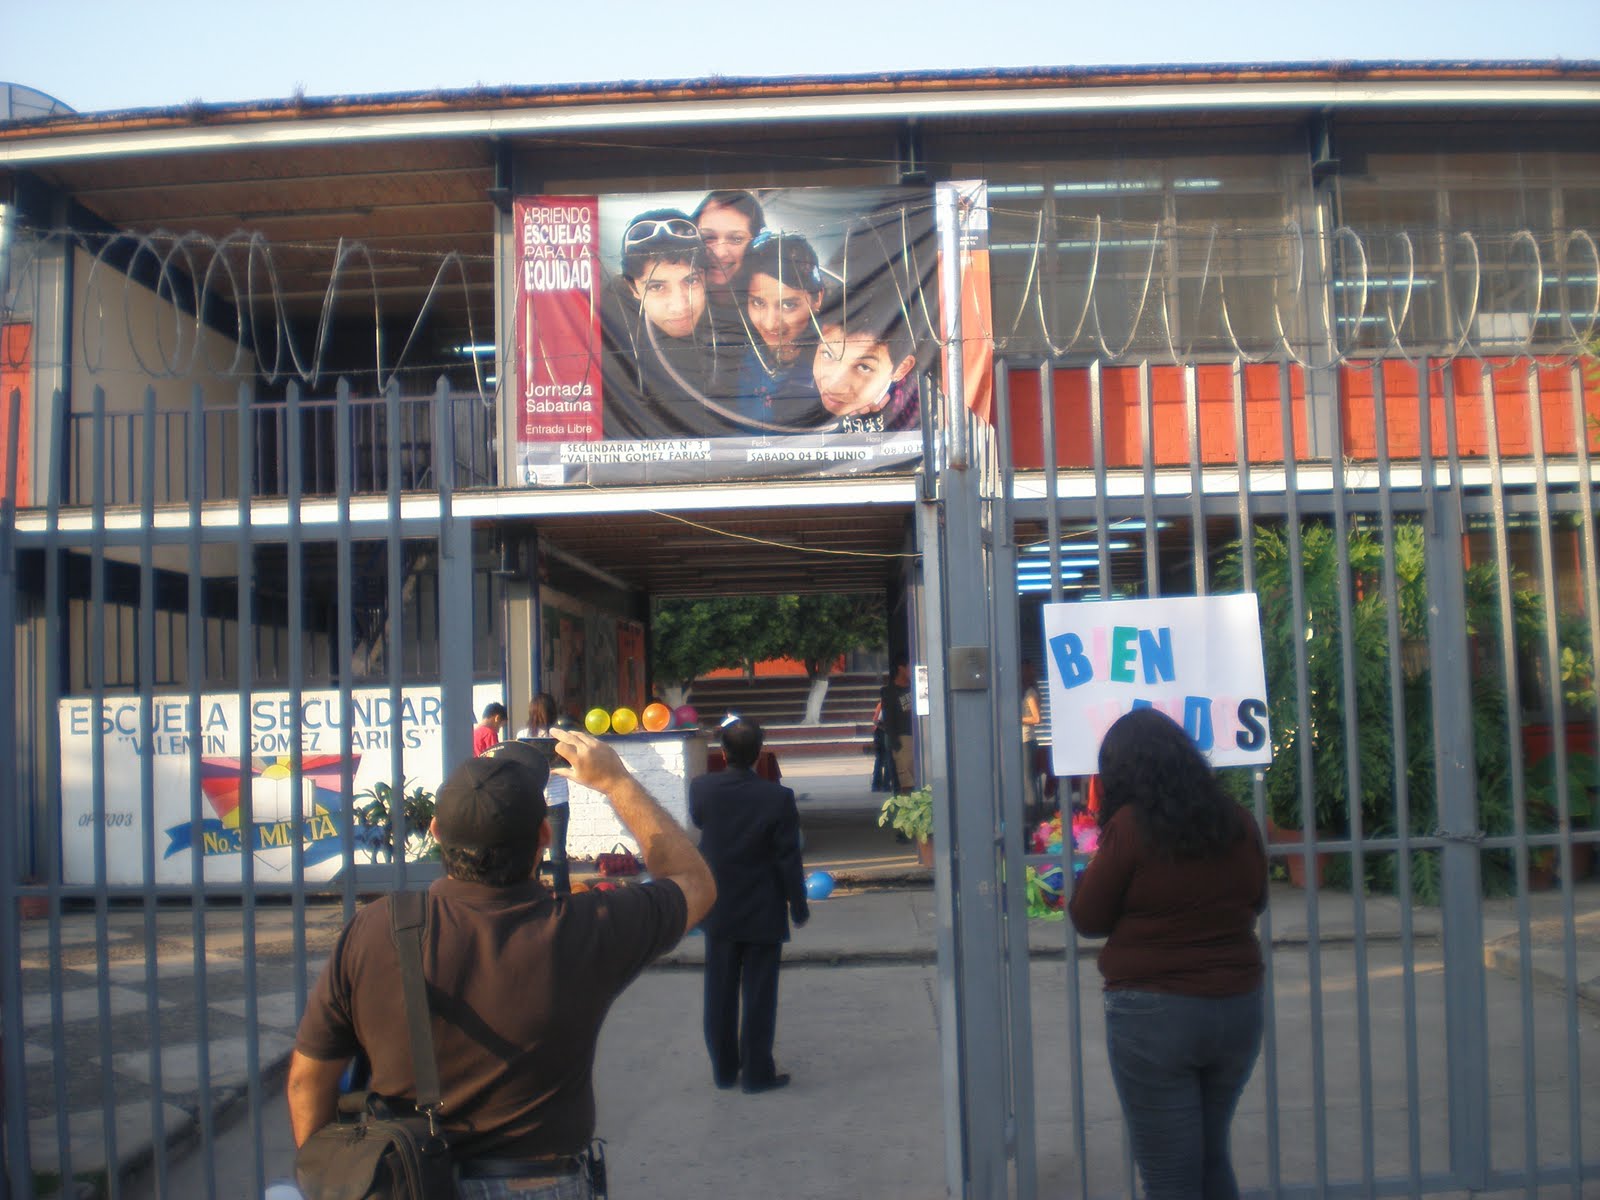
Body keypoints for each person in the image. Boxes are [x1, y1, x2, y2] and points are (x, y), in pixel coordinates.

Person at [287, 732, 716, 1195]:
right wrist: (617, 782)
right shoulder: (588, 926)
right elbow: (694, 882)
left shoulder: (375, 930)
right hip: (542, 1185)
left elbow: (306, 1082)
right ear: (544, 837)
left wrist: (332, 1179)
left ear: (436, 832)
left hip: (405, 1181)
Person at [1067, 708, 1268, 1200]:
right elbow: (1257, 898)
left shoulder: (1131, 827)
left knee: (1170, 1177)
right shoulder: (1236, 820)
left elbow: (1088, 918)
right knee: (1211, 1158)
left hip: (1154, 1014)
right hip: (1237, 1007)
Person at [689, 715, 808, 1094]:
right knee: (759, 994)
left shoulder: (702, 788)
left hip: (719, 904)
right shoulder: (778, 798)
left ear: (723, 753)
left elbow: (699, 821)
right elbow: (788, 857)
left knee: (719, 991)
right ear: (759, 754)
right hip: (763, 905)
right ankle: (757, 1072)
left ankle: (724, 1070)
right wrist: (798, 904)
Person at [602, 208, 739, 437]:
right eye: (657, 287)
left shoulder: (736, 331)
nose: (679, 306)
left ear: (705, 277)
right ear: (633, 288)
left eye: (691, 281)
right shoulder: (609, 342)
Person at [731, 230, 829, 431]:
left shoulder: (838, 356)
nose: (769, 324)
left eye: (788, 305)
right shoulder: (733, 345)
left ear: (817, 299)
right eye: (758, 303)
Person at [811, 293, 920, 434]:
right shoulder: (792, 385)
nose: (834, 386)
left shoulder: (909, 408)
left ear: (901, 368)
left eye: (864, 367)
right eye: (828, 355)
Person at [516, 692, 572, 893]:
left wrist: (541, 769)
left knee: (535, 853)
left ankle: (533, 895)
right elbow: (569, 765)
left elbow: (519, 766)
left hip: (534, 799)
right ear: (553, 711)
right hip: (556, 800)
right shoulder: (559, 735)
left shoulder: (523, 735)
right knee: (557, 855)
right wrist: (551, 768)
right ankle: (564, 898)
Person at [692, 190, 766, 307]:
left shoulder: (768, 293)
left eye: (736, 239)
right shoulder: (682, 301)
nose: (720, 253)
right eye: (708, 237)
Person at [880, 658, 913, 796]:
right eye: (910, 666)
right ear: (901, 668)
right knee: (907, 783)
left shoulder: (917, 687)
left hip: (920, 737)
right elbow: (888, 720)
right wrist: (896, 745)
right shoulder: (889, 692)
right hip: (903, 738)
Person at [1020, 663, 1044, 824]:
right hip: (1026, 740)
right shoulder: (1026, 692)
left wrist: (1017, 717)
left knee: (1028, 780)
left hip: (1027, 740)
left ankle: (1032, 817)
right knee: (1027, 779)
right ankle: (1031, 815)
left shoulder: (1029, 693)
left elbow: (1036, 718)